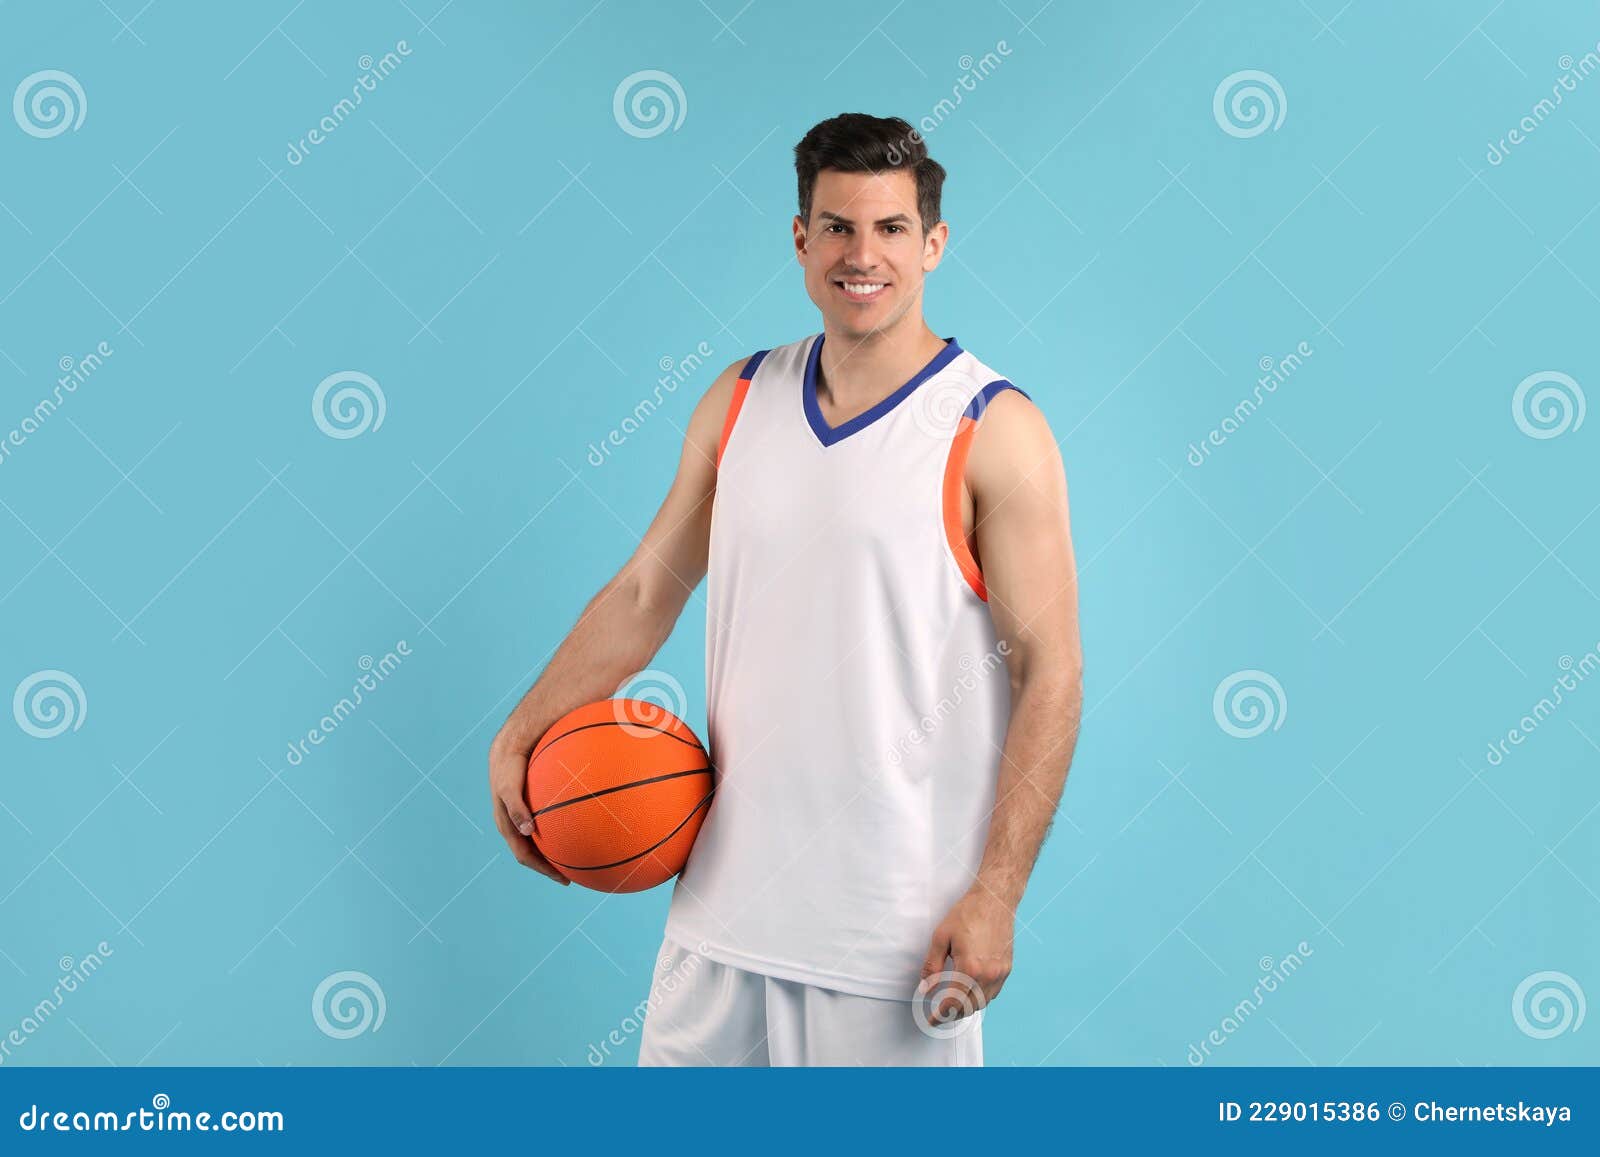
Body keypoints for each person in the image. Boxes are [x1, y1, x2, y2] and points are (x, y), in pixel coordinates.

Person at [489, 112, 1083, 1066]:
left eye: (891, 228)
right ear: (801, 240)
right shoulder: (739, 398)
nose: (863, 254)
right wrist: (522, 731)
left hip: (895, 947)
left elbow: (1052, 671)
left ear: (934, 242)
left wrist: (999, 892)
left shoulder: (993, 426)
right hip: (717, 923)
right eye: (838, 227)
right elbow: (648, 589)